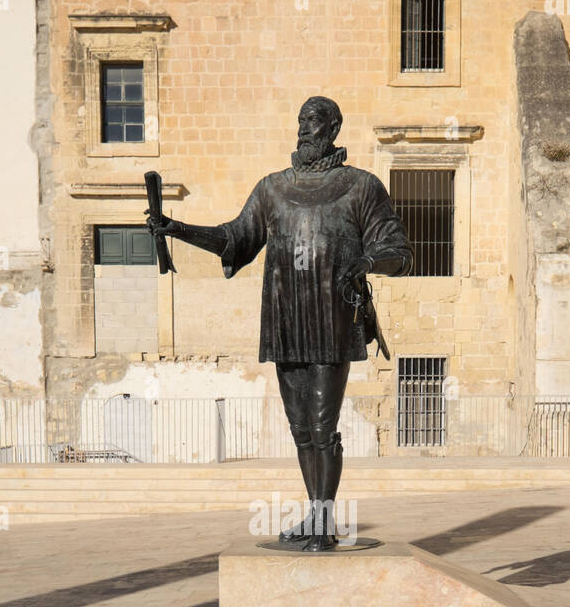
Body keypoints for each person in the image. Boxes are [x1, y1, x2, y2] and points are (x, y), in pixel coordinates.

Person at [146, 96, 413, 551]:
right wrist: (176, 228)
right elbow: (235, 238)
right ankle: (315, 516)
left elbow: (400, 254)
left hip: (332, 321)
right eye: (300, 122)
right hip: (286, 320)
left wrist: (366, 260)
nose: (303, 129)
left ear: (333, 129)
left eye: (313, 122)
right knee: (301, 430)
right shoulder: (271, 189)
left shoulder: (361, 187)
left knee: (324, 427)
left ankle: (324, 523)